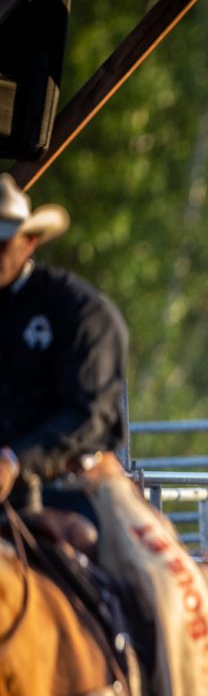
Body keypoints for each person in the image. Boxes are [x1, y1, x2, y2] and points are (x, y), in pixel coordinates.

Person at [0, 172, 127, 523]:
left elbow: (90, 414)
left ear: (29, 242)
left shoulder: (78, 310)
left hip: (77, 491)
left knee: (141, 573)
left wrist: (16, 460)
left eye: (2, 243)